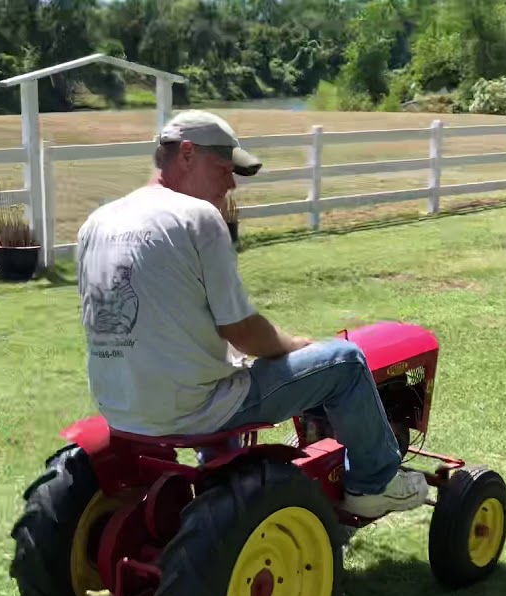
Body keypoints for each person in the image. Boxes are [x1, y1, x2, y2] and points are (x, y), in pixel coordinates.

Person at [75, 110, 427, 520]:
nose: (231, 184)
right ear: (187, 154)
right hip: (190, 409)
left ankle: (222, 480)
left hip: (120, 407)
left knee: (223, 371)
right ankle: (374, 483)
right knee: (345, 361)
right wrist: (295, 345)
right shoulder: (196, 217)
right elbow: (241, 330)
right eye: (223, 169)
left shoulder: (97, 223)